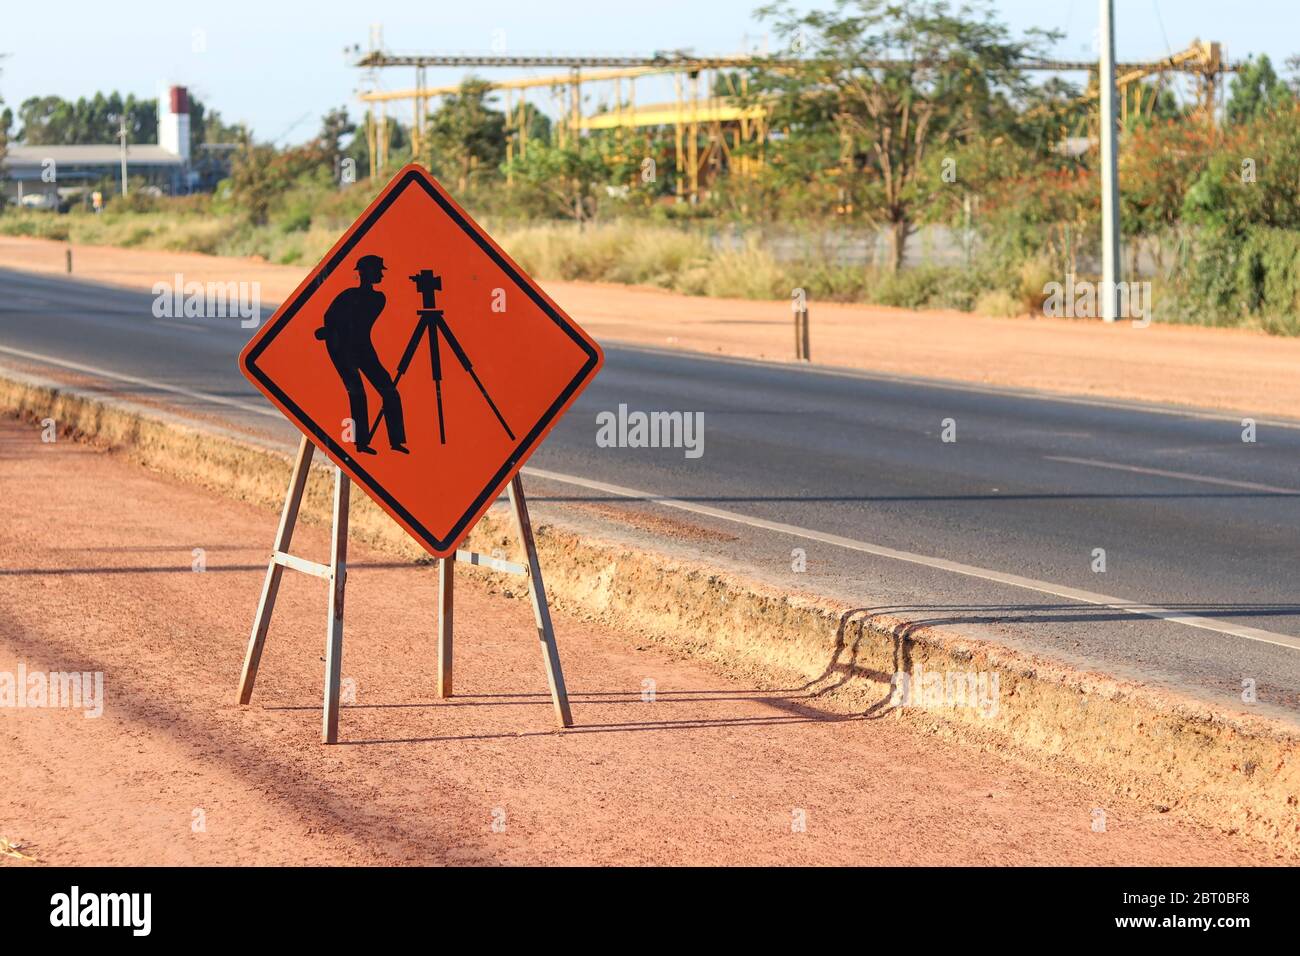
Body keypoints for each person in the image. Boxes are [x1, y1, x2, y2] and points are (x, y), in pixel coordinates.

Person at [315, 254, 408, 455]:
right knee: (357, 392)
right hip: (341, 349)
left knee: (389, 389)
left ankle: (397, 440)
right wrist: (332, 333)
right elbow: (329, 318)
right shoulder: (348, 295)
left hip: (363, 347)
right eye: (378, 271)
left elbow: (354, 320)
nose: (381, 275)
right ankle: (361, 443)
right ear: (364, 272)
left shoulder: (377, 299)